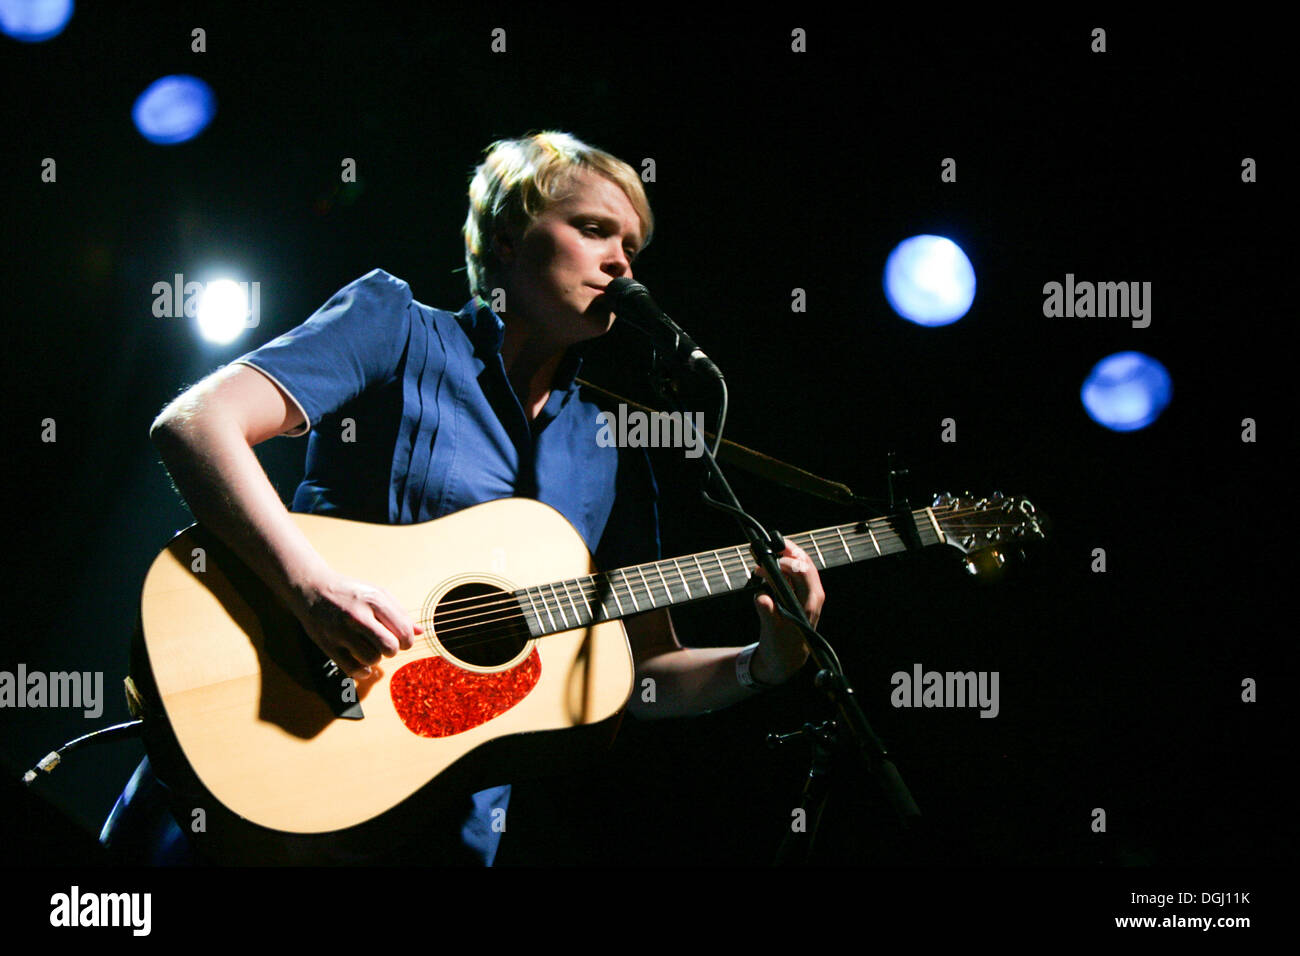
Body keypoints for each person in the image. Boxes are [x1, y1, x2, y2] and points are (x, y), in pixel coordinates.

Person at [101, 131, 824, 865]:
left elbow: (635, 675)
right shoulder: (396, 328)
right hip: (270, 753)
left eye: (632, 247)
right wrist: (309, 584)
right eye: (594, 229)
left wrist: (762, 662)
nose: (620, 261)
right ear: (508, 239)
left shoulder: (607, 450)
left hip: (442, 837)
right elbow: (197, 424)